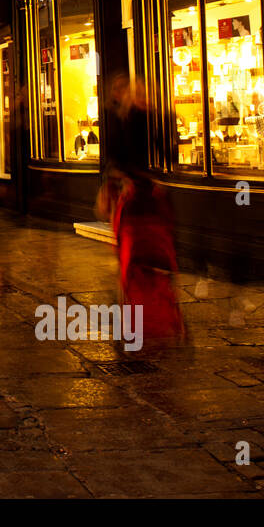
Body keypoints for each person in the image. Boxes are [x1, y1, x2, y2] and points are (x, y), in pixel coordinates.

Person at [99, 74, 186, 346]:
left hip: (146, 192)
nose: (141, 96)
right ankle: (141, 308)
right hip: (135, 193)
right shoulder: (124, 118)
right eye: (136, 92)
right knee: (136, 251)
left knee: (149, 251)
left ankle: (151, 310)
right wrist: (123, 180)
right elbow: (117, 156)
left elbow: (164, 151)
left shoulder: (152, 117)